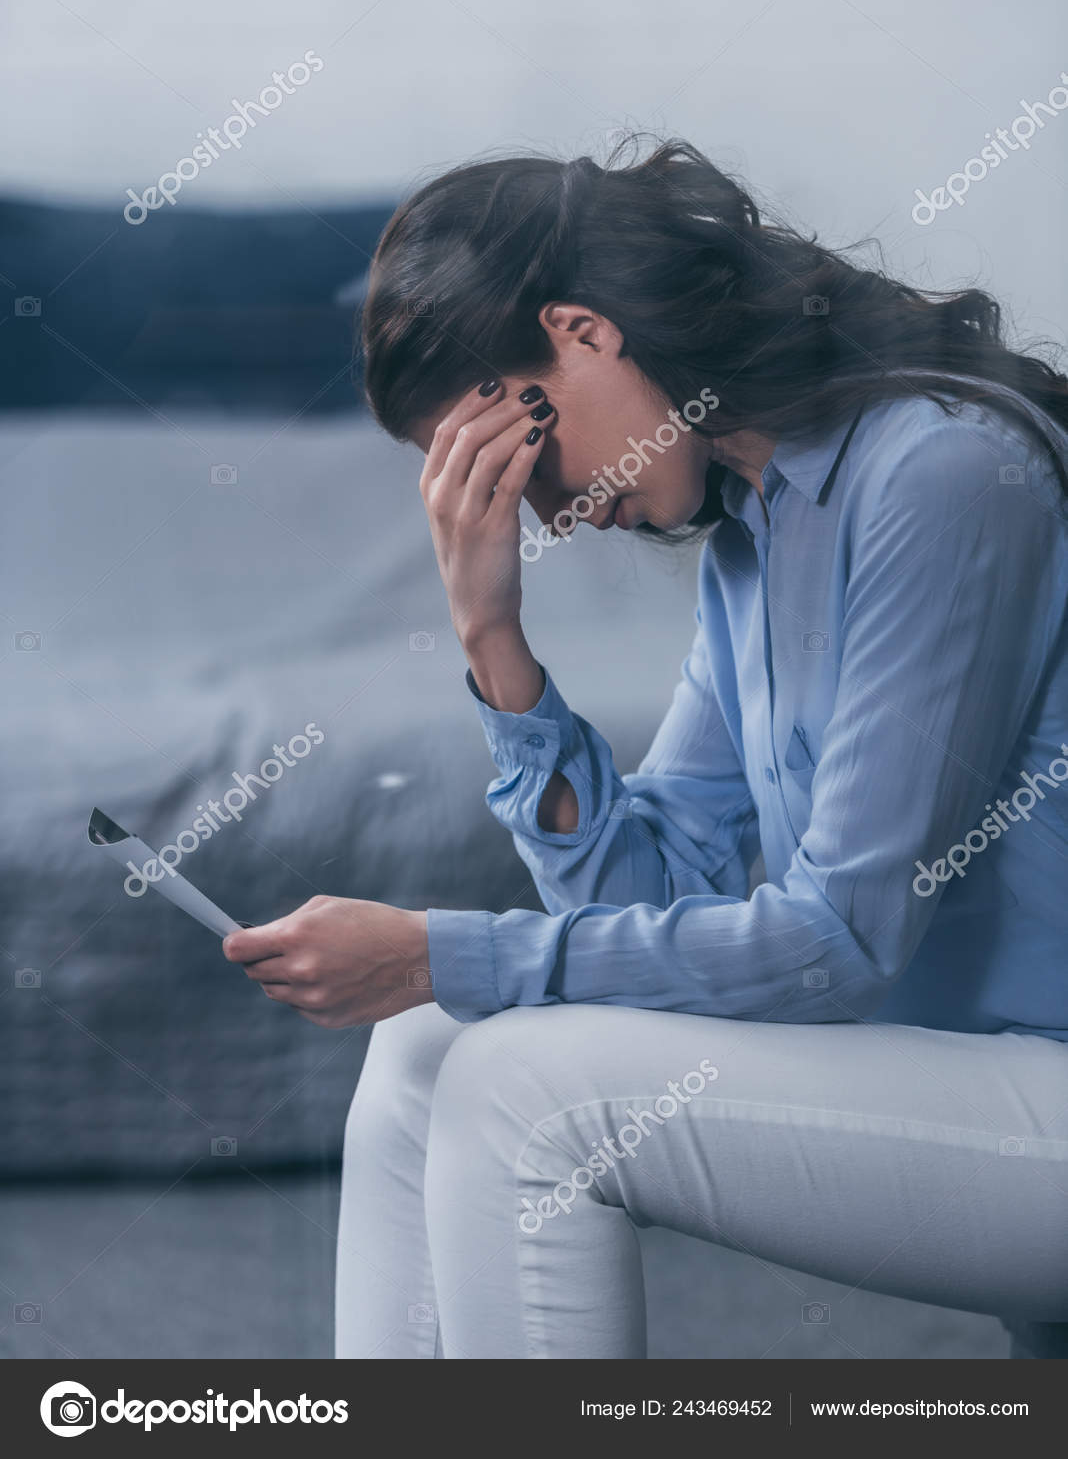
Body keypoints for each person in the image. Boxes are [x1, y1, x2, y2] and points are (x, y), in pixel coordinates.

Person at [224, 141, 1068, 1360]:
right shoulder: (751, 533)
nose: (546, 507)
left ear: (583, 332)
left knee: (521, 1093)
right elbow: (652, 896)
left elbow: (836, 943)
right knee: (424, 1043)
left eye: (520, 450)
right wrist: (492, 633)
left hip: (1036, 1077)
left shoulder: (942, 472)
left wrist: (438, 948)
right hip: (965, 1077)